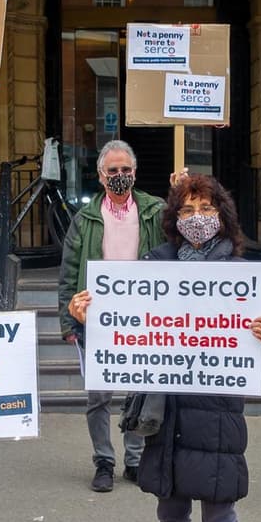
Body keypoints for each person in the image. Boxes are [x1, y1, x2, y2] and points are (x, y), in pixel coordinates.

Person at [70, 174, 261, 522]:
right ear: (173, 219)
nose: (196, 218)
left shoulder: (240, 270)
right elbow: (121, 336)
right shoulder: (155, 265)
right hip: (163, 411)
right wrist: (84, 320)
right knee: (170, 510)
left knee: (219, 515)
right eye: (187, 210)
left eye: (205, 208)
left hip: (214, 410)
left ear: (222, 216)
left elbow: (256, 341)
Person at [58, 140, 166, 492]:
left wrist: (181, 191)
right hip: (96, 319)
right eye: (113, 171)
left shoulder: (154, 210)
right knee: (99, 395)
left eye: (126, 170)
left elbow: (180, 236)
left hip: (143, 316)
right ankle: (104, 460)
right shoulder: (86, 218)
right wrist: (67, 320)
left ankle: (134, 460)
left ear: (134, 173)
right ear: (101, 176)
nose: (120, 176)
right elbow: (69, 272)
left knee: (138, 390)